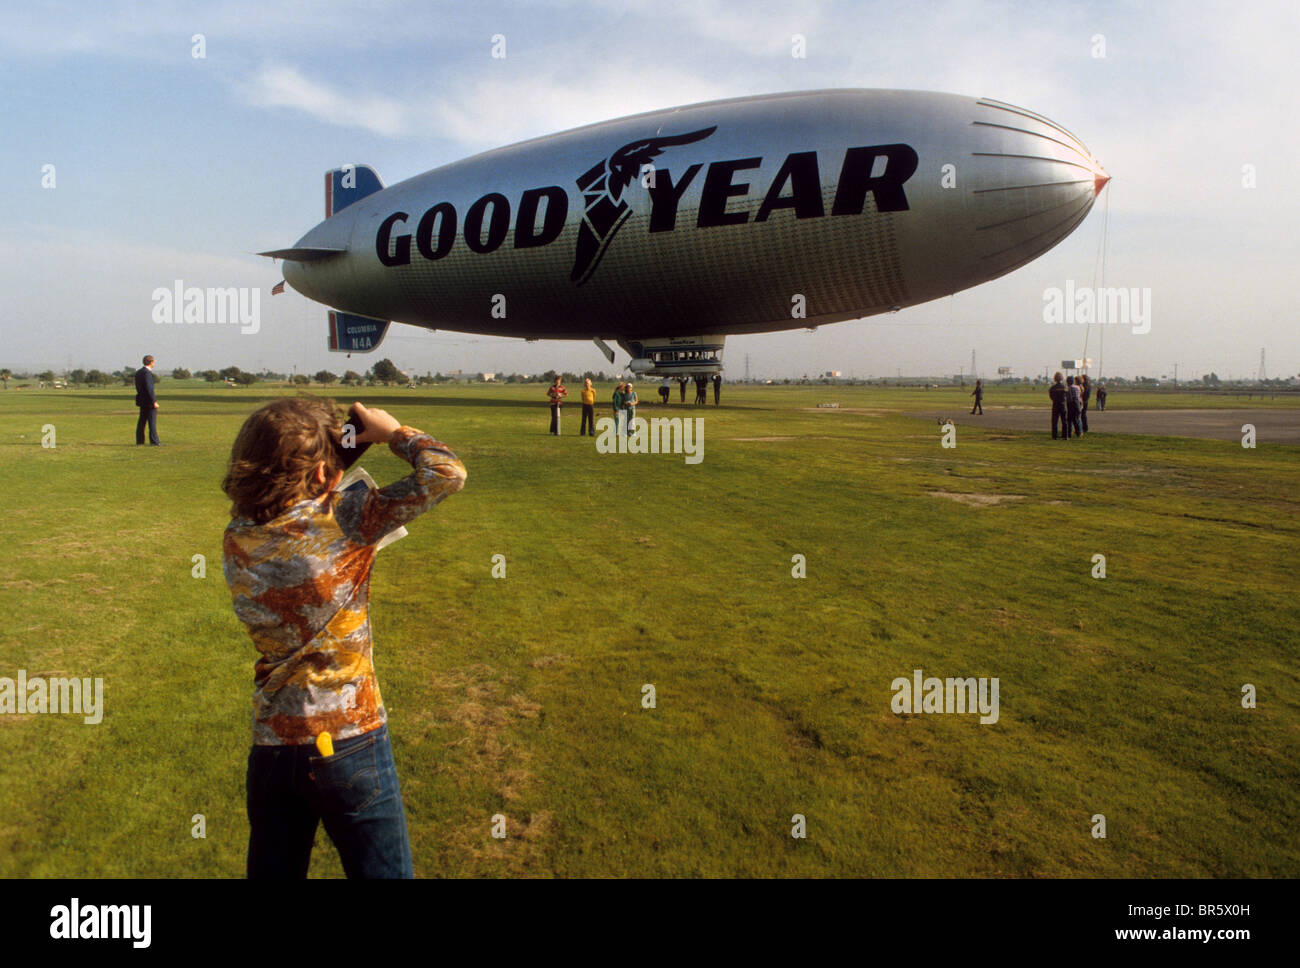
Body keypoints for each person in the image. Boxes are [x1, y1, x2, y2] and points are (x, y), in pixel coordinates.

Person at [221, 397, 466, 878]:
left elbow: (293, 491)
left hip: (272, 745)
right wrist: (393, 433)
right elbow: (447, 472)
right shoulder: (346, 516)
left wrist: (332, 451)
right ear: (320, 477)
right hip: (350, 740)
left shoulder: (238, 532)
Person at [134, 354, 161, 445]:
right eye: (154, 362)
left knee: (141, 422)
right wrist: (154, 401)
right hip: (149, 402)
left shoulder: (139, 372)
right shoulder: (147, 373)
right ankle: (154, 441)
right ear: (151, 362)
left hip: (141, 400)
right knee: (152, 423)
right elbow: (149, 388)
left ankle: (140, 441)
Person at [1049, 372, 1069, 439]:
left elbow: (1051, 396)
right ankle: (1065, 435)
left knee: (1054, 421)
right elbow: (1067, 395)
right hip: (1063, 404)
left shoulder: (1052, 388)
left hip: (1055, 404)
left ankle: (1054, 436)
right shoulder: (1065, 387)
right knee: (1064, 421)